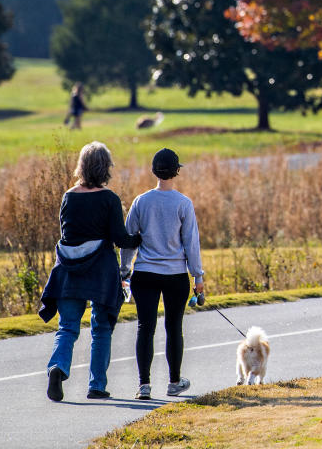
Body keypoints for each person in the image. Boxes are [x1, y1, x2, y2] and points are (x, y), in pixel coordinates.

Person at [39, 141, 141, 402]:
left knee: (68, 326)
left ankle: (57, 367)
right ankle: (97, 385)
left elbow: (67, 233)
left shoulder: (68, 196)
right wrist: (137, 239)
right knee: (101, 327)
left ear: (82, 166)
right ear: (105, 167)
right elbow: (119, 238)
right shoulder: (109, 198)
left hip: (69, 269)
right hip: (100, 270)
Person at [121, 147, 205, 400]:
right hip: (175, 275)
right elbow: (191, 243)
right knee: (173, 327)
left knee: (145, 327)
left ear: (154, 170)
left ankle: (144, 385)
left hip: (145, 273)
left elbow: (128, 239)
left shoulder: (141, 201)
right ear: (176, 171)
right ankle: (174, 382)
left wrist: (124, 271)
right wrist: (197, 277)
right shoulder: (183, 203)